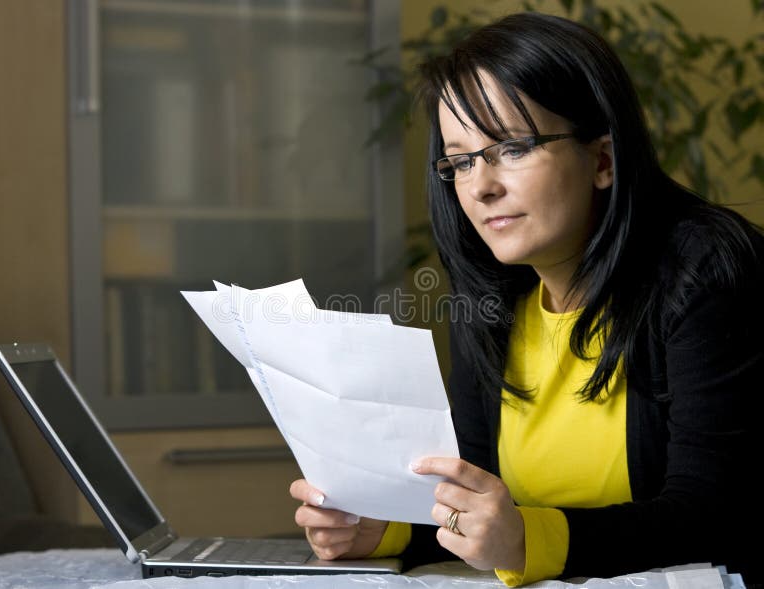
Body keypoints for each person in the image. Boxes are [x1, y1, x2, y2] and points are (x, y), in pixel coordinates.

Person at [289, 11, 764, 587]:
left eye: (512, 148)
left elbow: (714, 514)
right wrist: (380, 528)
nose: (481, 185)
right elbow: (478, 498)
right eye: (461, 160)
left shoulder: (708, 273)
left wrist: (526, 540)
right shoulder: (492, 299)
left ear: (603, 160)